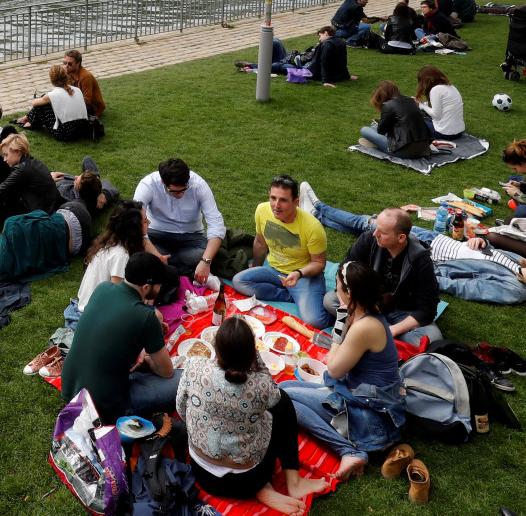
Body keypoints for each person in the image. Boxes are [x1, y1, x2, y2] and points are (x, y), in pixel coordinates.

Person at [302, 184, 526, 308]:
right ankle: (318, 212)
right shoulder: (519, 264)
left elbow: (464, 286)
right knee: (371, 225)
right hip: (441, 242)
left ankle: (318, 209)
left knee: (373, 227)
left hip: (432, 255)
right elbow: (487, 252)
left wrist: (425, 276)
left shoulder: (515, 290)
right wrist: (476, 240)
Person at [177, 320, 326, 512]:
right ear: (252, 353)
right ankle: (292, 481)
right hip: (250, 480)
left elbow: (181, 410)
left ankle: (263, 489)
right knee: (284, 403)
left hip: (204, 476)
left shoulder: (194, 366)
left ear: (216, 348)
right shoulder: (261, 385)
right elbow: (274, 396)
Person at [279, 262, 406, 479]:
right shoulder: (366, 313)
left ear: (348, 293)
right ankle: (349, 448)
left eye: (337, 286)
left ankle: (349, 451)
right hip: (365, 397)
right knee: (281, 387)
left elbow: (334, 368)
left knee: (282, 398)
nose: (335, 290)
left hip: (371, 417)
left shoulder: (365, 326)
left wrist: (339, 324)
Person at [300, 188, 440, 343]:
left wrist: (394, 330)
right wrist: (344, 307)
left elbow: (427, 308)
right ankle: (375, 331)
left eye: (382, 232)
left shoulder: (420, 260)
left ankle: (371, 329)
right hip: (366, 303)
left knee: (431, 338)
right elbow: (343, 272)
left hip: (400, 312)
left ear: (401, 238)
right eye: (376, 228)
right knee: (331, 300)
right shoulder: (368, 240)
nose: (375, 234)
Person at [59, 252, 180, 424]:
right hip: (105, 407)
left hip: (71, 388)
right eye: (159, 285)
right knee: (183, 379)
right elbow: (166, 372)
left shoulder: (103, 288)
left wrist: (149, 333)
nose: (160, 290)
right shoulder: (145, 316)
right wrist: (149, 364)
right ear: (146, 287)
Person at [231, 175, 331, 330]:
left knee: (315, 321)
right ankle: (291, 296)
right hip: (274, 270)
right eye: (273, 198)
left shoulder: (313, 227)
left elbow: (319, 263)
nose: (276, 205)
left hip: (303, 276)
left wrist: (298, 273)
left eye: (283, 200)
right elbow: (259, 242)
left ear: (296, 203)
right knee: (239, 281)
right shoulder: (262, 210)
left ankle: (302, 296)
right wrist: (256, 267)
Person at [133, 157, 226, 285]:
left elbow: (216, 223)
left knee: (207, 251)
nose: (180, 195)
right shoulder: (148, 185)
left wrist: (206, 261)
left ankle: (165, 266)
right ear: (163, 183)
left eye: (184, 189)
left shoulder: (199, 185)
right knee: (137, 246)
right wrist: (157, 255)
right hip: (157, 234)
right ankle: (184, 270)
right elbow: (135, 222)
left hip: (191, 237)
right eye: (175, 192)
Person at [0, 200, 88, 281]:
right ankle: (101, 192)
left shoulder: (3, 271)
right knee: (76, 197)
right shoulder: (11, 225)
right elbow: (41, 214)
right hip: (74, 218)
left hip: (76, 247)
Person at [70, 201, 151, 322]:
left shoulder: (109, 242)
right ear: (133, 229)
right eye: (145, 221)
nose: (149, 223)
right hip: (96, 314)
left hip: (90, 305)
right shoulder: (121, 255)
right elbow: (118, 297)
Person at [0, 133, 62, 223]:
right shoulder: (33, 162)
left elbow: (0, 191)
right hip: (48, 207)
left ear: (18, 152)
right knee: (6, 192)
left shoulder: (21, 169)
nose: (4, 159)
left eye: (6, 155)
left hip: (40, 215)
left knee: (1, 194)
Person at [358, 81, 432, 159]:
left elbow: (381, 131)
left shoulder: (388, 105)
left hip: (404, 151)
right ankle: (378, 142)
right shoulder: (411, 101)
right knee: (375, 127)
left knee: (365, 129)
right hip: (424, 148)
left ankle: (377, 144)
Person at [19, 63, 92, 140]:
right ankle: (28, 120)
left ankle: (30, 122)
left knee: (42, 105)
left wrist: (44, 97)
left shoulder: (53, 94)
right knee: (45, 100)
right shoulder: (77, 90)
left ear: (52, 80)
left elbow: (34, 103)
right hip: (82, 129)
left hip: (65, 133)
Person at [51, 155, 120, 215]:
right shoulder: (99, 198)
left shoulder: (64, 195)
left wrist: (50, 179)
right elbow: (87, 160)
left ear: (79, 191)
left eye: (77, 180)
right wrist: (99, 190)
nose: (75, 176)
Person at [414, 65, 464, 140]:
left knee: (412, 121)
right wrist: (422, 103)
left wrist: (421, 105)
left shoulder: (436, 90)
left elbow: (436, 115)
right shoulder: (450, 87)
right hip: (458, 132)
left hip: (444, 133)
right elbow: (441, 104)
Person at [62, 48, 106, 117]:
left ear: (78, 63)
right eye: (65, 63)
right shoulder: (68, 73)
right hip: (77, 102)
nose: (66, 66)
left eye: (70, 64)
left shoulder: (85, 76)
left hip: (92, 107)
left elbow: (87, 100)